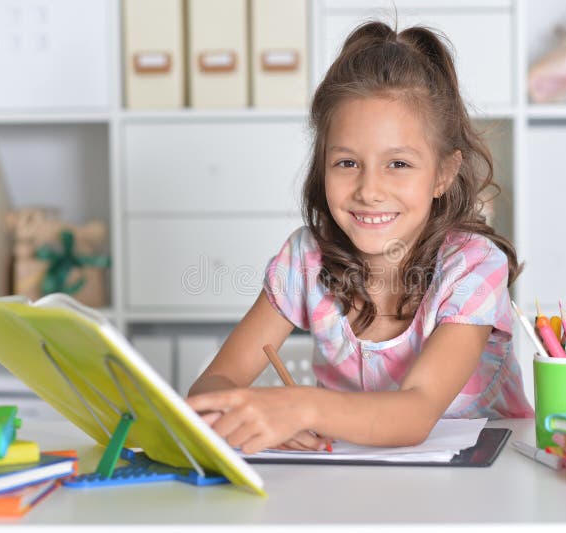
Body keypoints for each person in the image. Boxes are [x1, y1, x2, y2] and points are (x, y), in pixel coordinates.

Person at [186, 21, 533, 455]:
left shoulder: (473, 267)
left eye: (399, 164)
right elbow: (213, 385)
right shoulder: (306, 258)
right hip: (350, 482)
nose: (369, 190)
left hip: (489, 483)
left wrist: (300, 407)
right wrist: (250, 414)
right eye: (347, 163)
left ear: (443, 173)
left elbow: (415, 414)